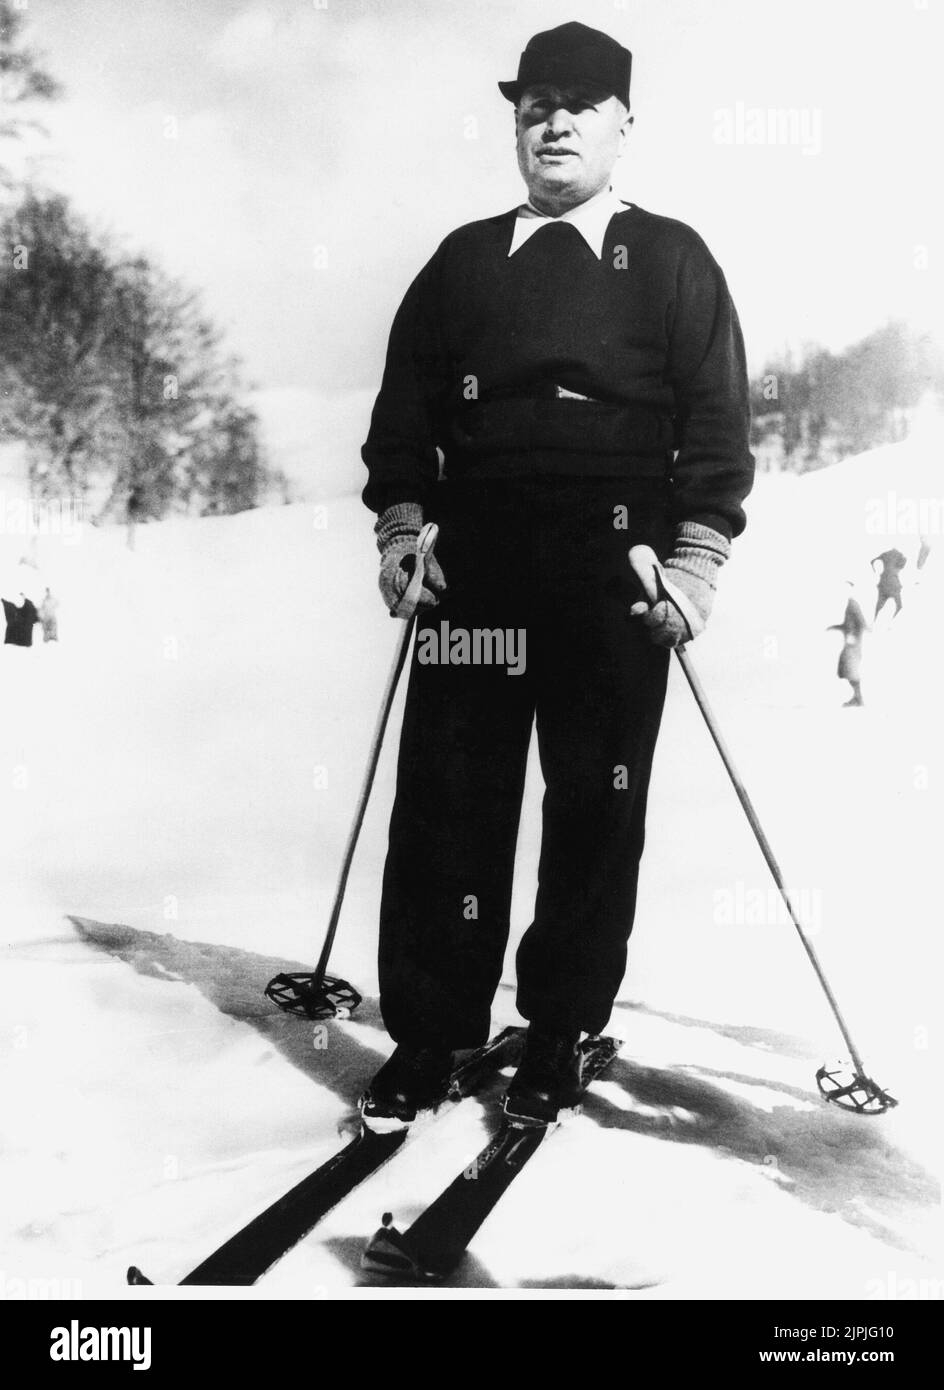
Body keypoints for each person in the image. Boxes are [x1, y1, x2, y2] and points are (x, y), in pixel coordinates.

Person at [359, 22, 754, 1126]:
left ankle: (562, 1023)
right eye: (536, 103)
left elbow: (716, 429)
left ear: (623, 126)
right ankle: (433, 1029)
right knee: (448, 797)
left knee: (594, 800)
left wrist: (695, 558)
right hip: (477, 564)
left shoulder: (669, 257)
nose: (556, 122)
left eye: (582, 105)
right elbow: (405, 419)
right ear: (516, 121)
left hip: (612, 571)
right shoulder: (462, 261)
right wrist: (402, 529)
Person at [827, 584, 868, 707]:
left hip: (854, 645)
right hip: (851, 644)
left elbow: (862, 624)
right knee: (847, 670)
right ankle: (857, 697)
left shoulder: (853, 604)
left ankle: (858, 699)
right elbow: (848, 625)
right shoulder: (849, 605)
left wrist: (853, 637)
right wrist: (835, 627)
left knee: (850, 670)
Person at [871, 548, 906, 619]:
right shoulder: (899, 555)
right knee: (899, 606)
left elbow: (872, 561)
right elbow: (903, 564)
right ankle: (891, 622)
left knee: (878, 606)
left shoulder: (885, 554)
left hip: (883, 582)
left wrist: (876, 572)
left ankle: (874, 620)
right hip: (893, 584)